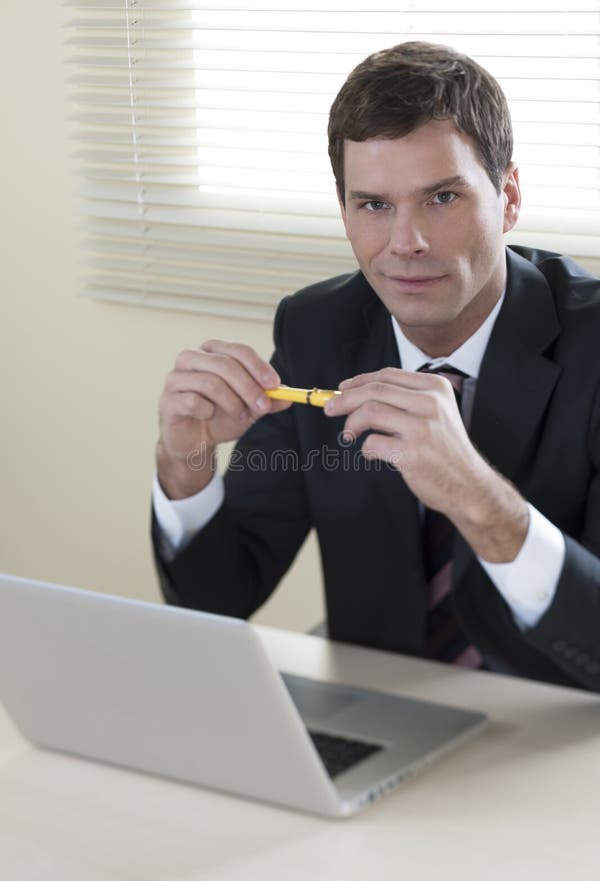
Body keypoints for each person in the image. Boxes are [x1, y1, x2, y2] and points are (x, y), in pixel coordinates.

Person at [152, 42, 600, 691]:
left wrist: (476, 498)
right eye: (374, 205)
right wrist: (184, 462)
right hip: (381, 717)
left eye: (442, 198)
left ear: (508, 197)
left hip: (564, 730)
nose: (405, 243)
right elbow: (219, 599)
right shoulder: (317, 332)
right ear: (343, 211)